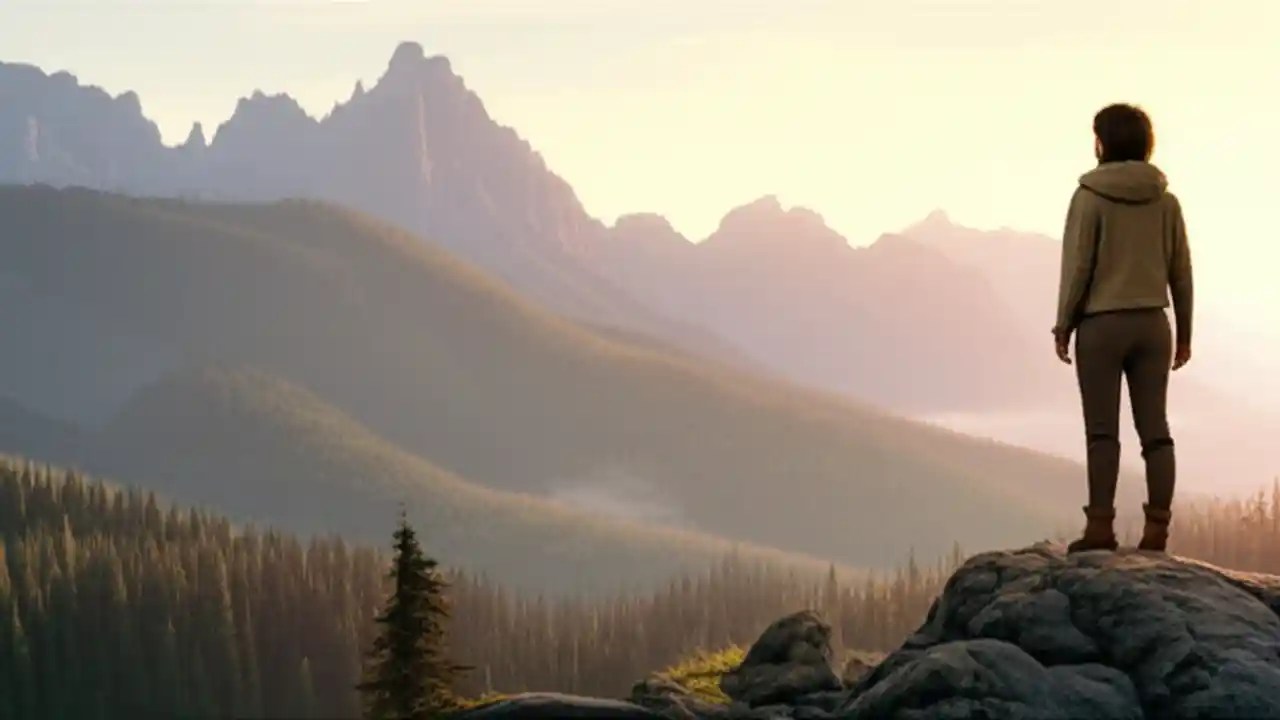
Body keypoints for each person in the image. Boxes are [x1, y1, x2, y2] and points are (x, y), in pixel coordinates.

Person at [1052, 103, 1194, 554]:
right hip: (1153, 324)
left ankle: (1100, 528)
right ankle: (1157, 532)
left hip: (1101, 325)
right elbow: (1181, 273)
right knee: (1156, 432)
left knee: (1102, 433)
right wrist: (1185, 332)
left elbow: (1079, 267)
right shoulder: (1166, 202)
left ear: (1103, 143)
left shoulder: (1089, 197)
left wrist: (1064, 323)